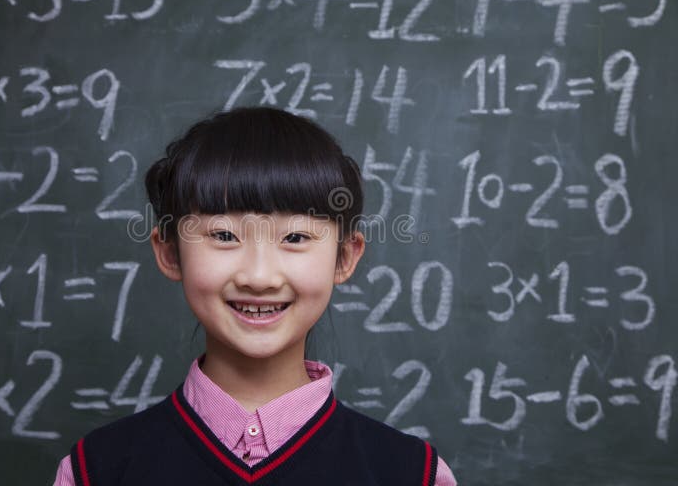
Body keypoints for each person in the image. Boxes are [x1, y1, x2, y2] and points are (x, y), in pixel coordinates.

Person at [52, 107, 457, 485]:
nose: (259, 277)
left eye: (295, 237)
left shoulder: (412, 474)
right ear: (171, 252)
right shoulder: (95, 471)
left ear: (345, 257)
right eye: (224, 236)